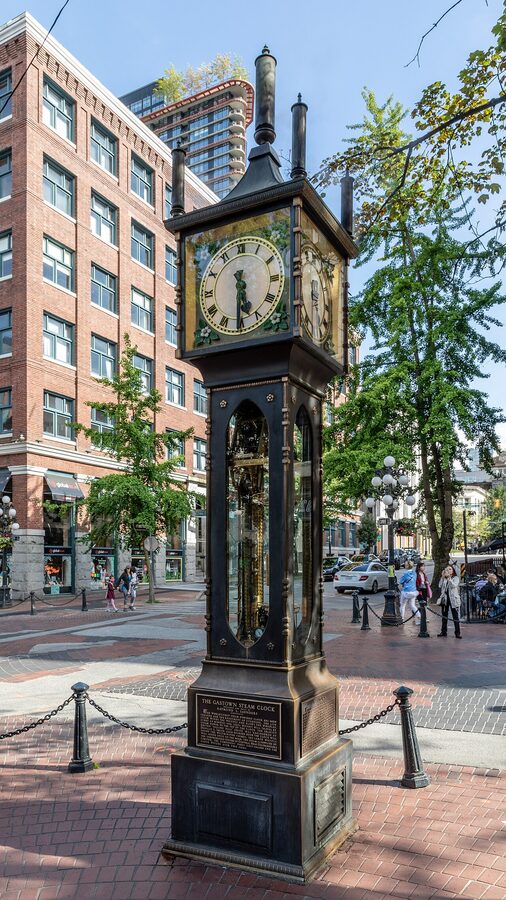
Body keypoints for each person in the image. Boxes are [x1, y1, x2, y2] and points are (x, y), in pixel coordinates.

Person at [437, 564, 461, 638]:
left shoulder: (455, 578)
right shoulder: (444, 578)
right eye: (447, 569)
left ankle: (457, 633)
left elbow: (453, 585)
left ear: (453, 570)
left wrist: (449, 578)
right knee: (444, 616)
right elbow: (440, 586)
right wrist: (442, 577)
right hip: (445, 599)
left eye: (450, 569)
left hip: (453, 599)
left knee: (455, 616)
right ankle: (443, 631)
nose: (448, 571)